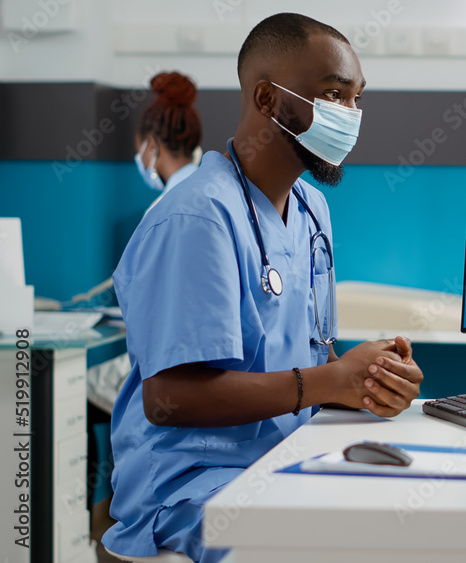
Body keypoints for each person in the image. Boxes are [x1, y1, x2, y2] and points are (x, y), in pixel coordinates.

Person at [101, 13, 424, 563]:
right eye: (332, 95)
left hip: (283, 460)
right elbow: (169, 399)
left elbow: (308, 357)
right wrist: (331, 380)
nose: (349, 116)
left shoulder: (311, 209)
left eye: (356, 99)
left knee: (406, 530)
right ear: (267, 99)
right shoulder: (197, 218)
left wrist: (367, 381)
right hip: (189, 489)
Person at [134, 71, 202, 205]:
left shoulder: (161, 211)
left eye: (139, 151)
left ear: (152, 147)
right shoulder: (220, 191)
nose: (140, 159)